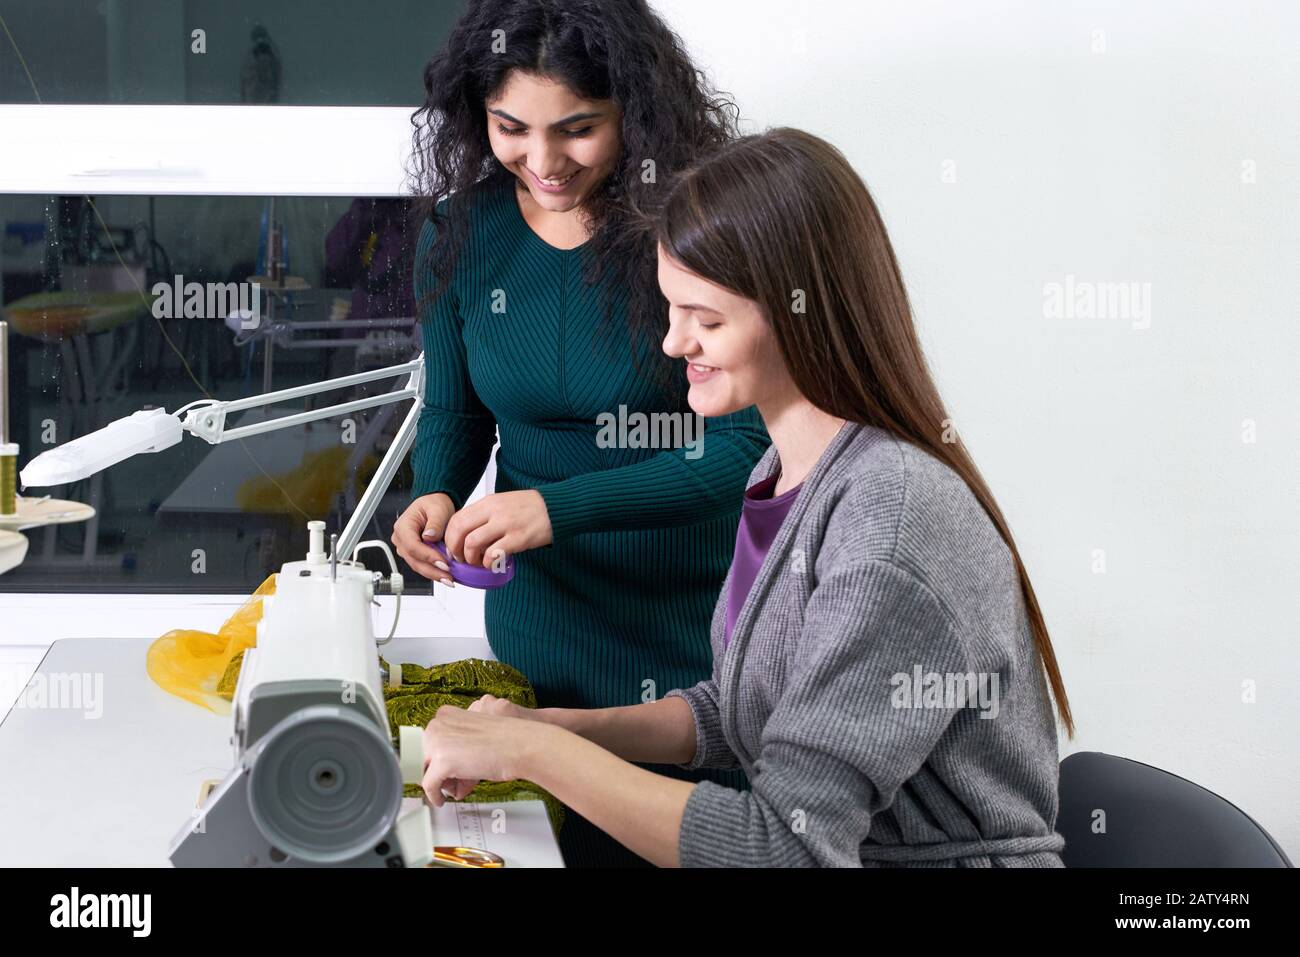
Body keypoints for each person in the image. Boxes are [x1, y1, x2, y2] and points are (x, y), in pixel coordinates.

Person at [416, 128, 1075, 867]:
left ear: (799, 310)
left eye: (707, 319)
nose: (674, 344)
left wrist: (534, 750)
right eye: (671, 311)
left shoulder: (889, 521)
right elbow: (739, 715)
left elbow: (783, 847)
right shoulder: (781, 473)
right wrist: (559, 727)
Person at [391, 0, 768, 866]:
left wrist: (552, 508)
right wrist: (436, 491)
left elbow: (742, 449)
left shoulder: (690, 230)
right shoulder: (462, 230)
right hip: (538, 635)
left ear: (634, 110)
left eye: (578, 129)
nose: (544, 160)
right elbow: (454, 408)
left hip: (685, 643)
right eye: (510, 128)